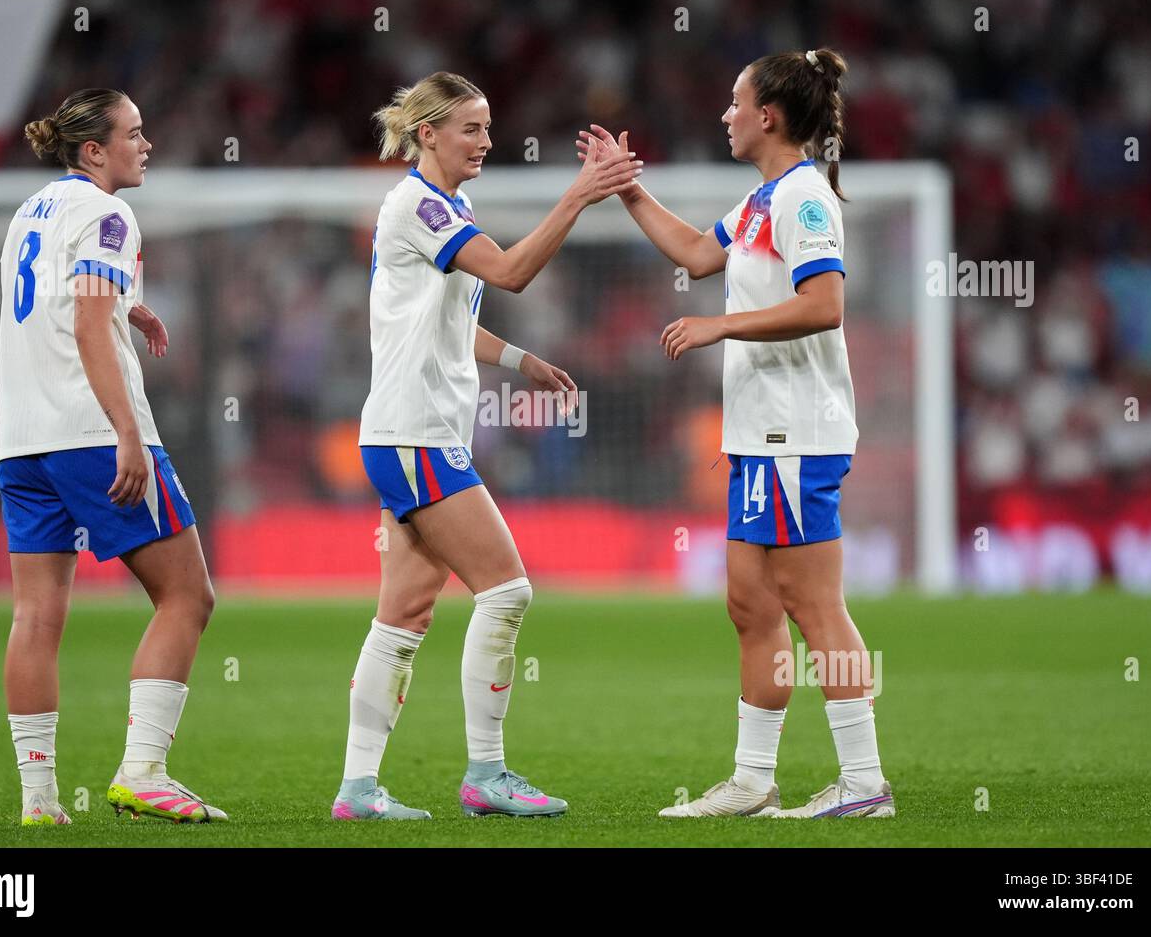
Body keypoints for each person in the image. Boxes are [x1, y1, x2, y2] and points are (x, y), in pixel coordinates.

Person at [580, 49, 894, 818]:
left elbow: (824, 304)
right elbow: (695, 253)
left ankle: (863, 782)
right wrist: (628, 189)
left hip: (798, 433)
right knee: (749, 602)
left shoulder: (804, 199)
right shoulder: (762, 199)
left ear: (770, 116)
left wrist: (721, 324)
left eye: (734, 103)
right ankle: (754, 780)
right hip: (759, 437)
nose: (725, 115)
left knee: (813, 604)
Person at [334, 71, 641, 819]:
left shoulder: (443, 207)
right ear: (429, 133)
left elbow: (441, 320)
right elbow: (510, 271)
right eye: (471, 127)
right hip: (418, 434)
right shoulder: (418, 204)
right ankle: (487, 774)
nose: (487, 140)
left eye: (489, 126)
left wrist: (518, 361)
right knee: (507, 591)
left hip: (407, 430)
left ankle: (358, 787)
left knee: (403, 614)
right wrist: (578, 194)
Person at [0, 88, 226, 825]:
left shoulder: (30, 212)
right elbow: (88, 324)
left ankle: (39, 801)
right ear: (94, 151)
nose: (145, 143)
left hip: (20, 443)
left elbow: (55, 298)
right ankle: (144, 771)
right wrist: (127, 430)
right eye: (133, 133)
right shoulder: (110, 214)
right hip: (90, 433)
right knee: (188, 595)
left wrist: (128, 301)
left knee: (35, 617)